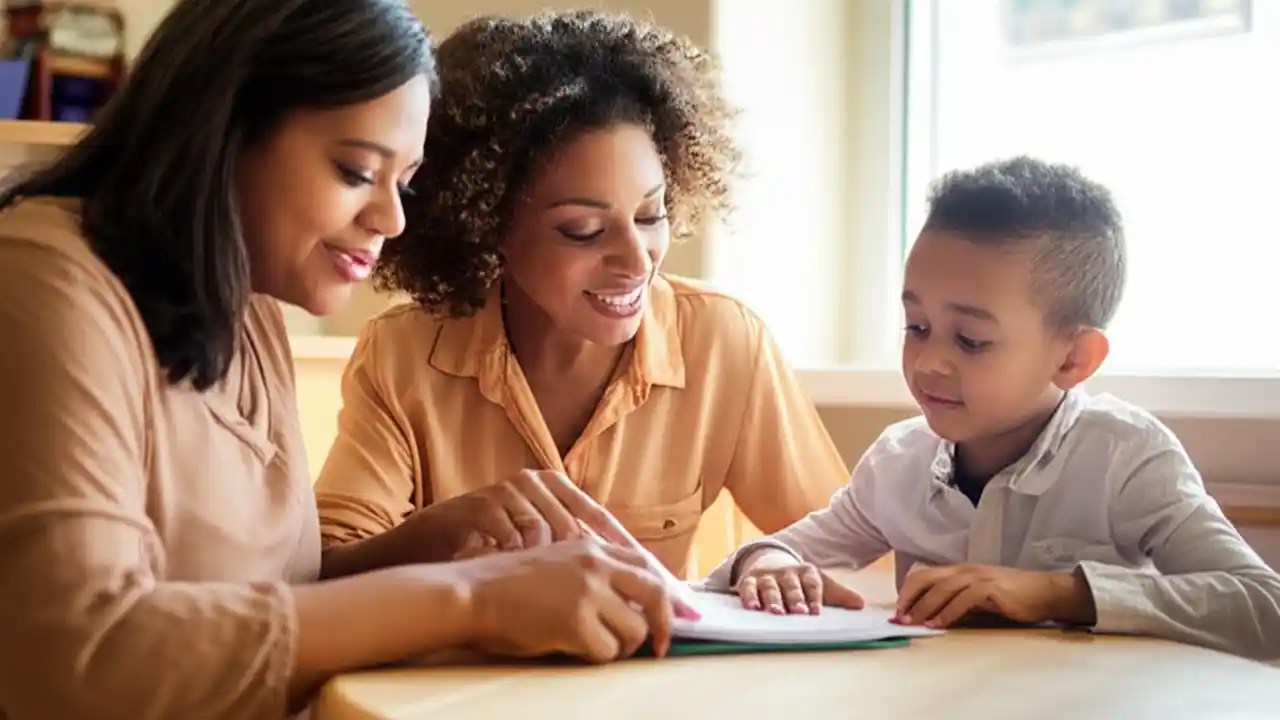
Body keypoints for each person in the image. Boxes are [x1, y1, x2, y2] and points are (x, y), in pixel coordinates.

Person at [0, 2, 681, 718]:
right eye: (358, 171)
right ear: (227, 126)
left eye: (406, 183)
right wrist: (471, 600)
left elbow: (268, 599)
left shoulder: (248, 302)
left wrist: (439, 543)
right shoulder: (46, 283)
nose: (392, 219)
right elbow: (73, 656)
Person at [313, 9, 850, 580]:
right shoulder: (404, 357)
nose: (636, 259)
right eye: (583, 231)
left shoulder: (724, 343)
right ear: (488, 223)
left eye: (650, 215)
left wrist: (768, 558)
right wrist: (446, 531)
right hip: (474, 670)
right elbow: (329, 566)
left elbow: (851, 546)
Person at [704, 157, 1280, 661]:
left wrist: (1058, 594)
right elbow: (778, 550)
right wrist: (768, 564)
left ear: (1074, 358)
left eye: (970, 341)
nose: (928, 362)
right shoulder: (899, 462)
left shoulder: (1124, 458)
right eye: (917, 326)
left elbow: (1264, 606)